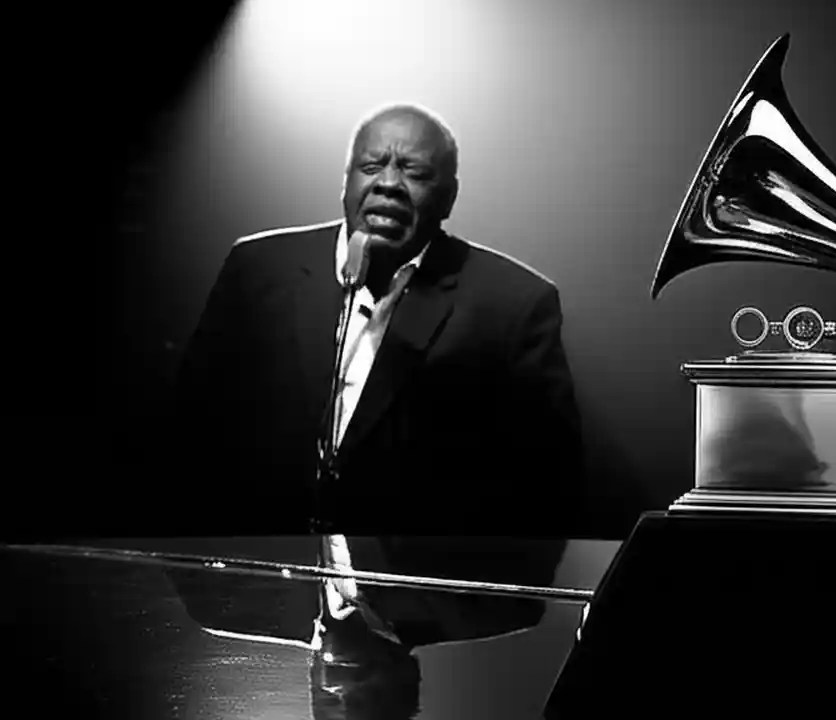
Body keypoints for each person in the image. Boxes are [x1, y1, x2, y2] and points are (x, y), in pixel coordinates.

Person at [167, 102, 584, 539]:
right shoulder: (257, 268)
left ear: (449, 197)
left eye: (415, 173)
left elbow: (549, 483)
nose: (389, 183)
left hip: (416, 593)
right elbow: (189, 432)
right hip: (256, 578)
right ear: (345, 182)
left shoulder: (514, 304)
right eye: (371, 166)